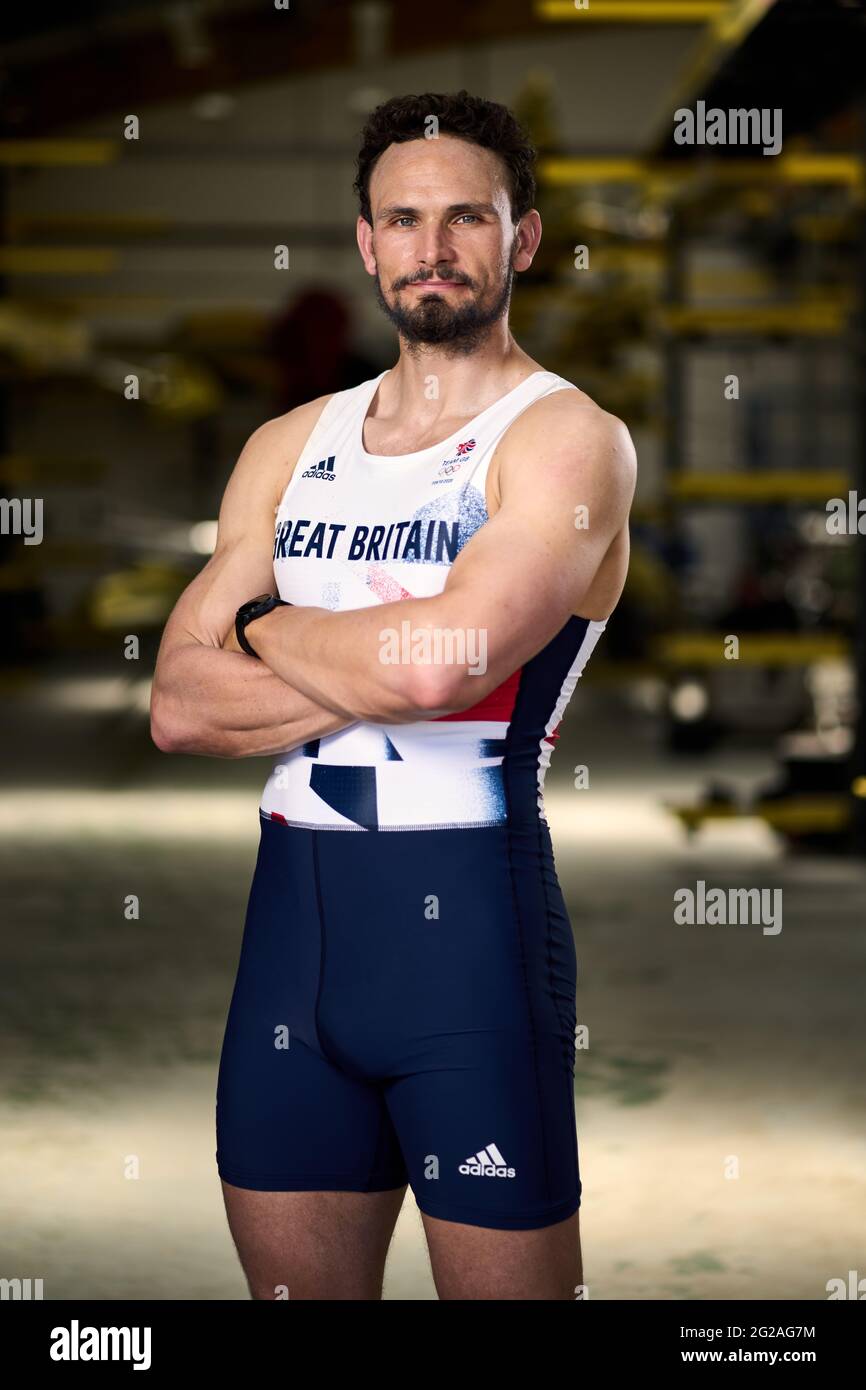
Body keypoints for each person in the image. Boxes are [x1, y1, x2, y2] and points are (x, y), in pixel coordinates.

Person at [151, 89, 636, 1301]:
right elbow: (176, 704)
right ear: (365, 243)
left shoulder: (564, 440)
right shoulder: (288, 443)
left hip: (467, 938)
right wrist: (385, 659)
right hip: (292, 939)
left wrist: (264, 626)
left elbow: (440, 665)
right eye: (402, 219)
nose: (432, 247)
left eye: (464, 217)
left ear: (520, 238)